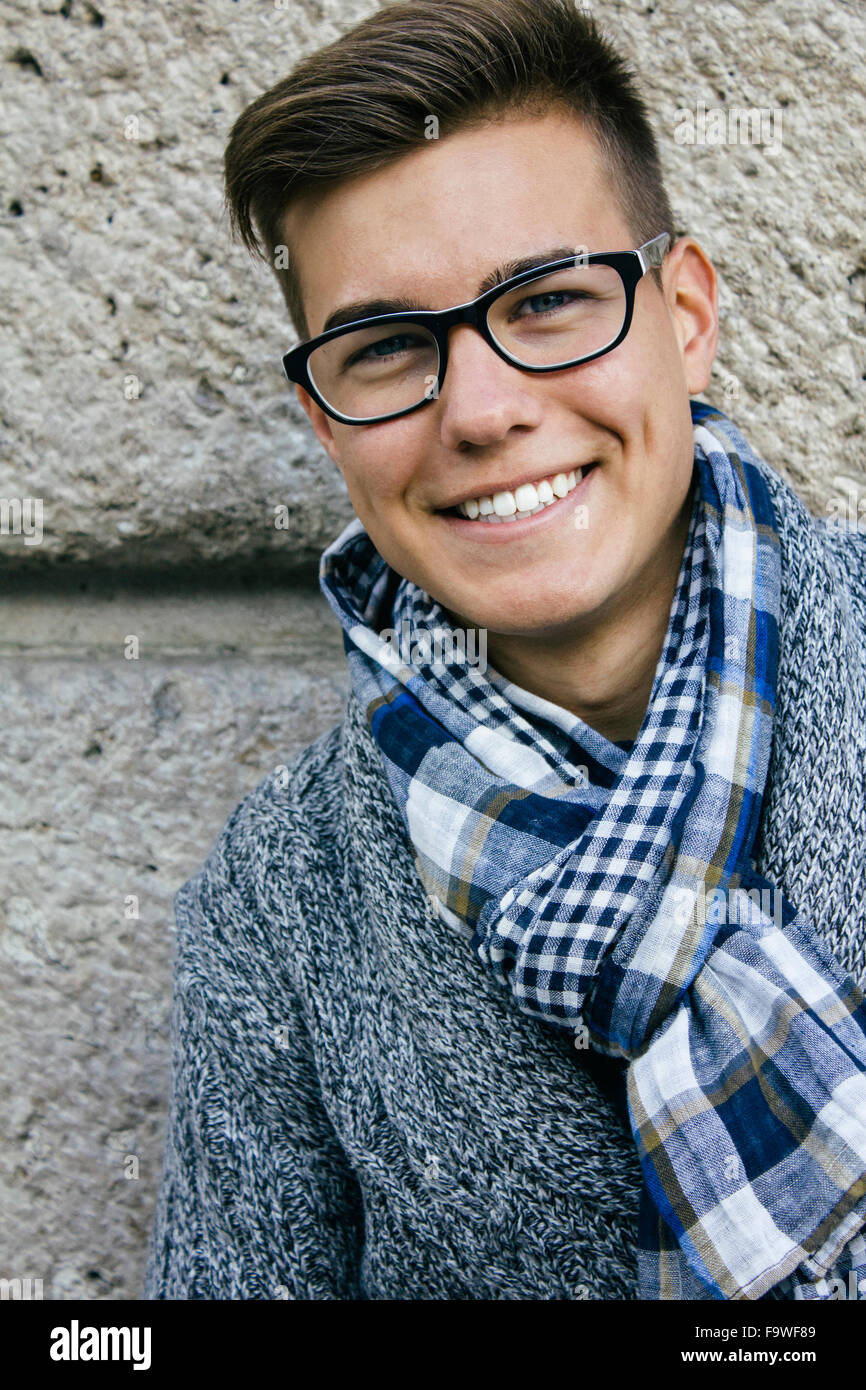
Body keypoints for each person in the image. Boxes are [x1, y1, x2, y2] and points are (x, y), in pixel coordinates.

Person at [144, 0, 866, 1301]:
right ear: (326, 423)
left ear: (685, 315)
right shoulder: (274, 898)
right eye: (382, 348)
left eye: (544, 301)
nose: (479, 412)